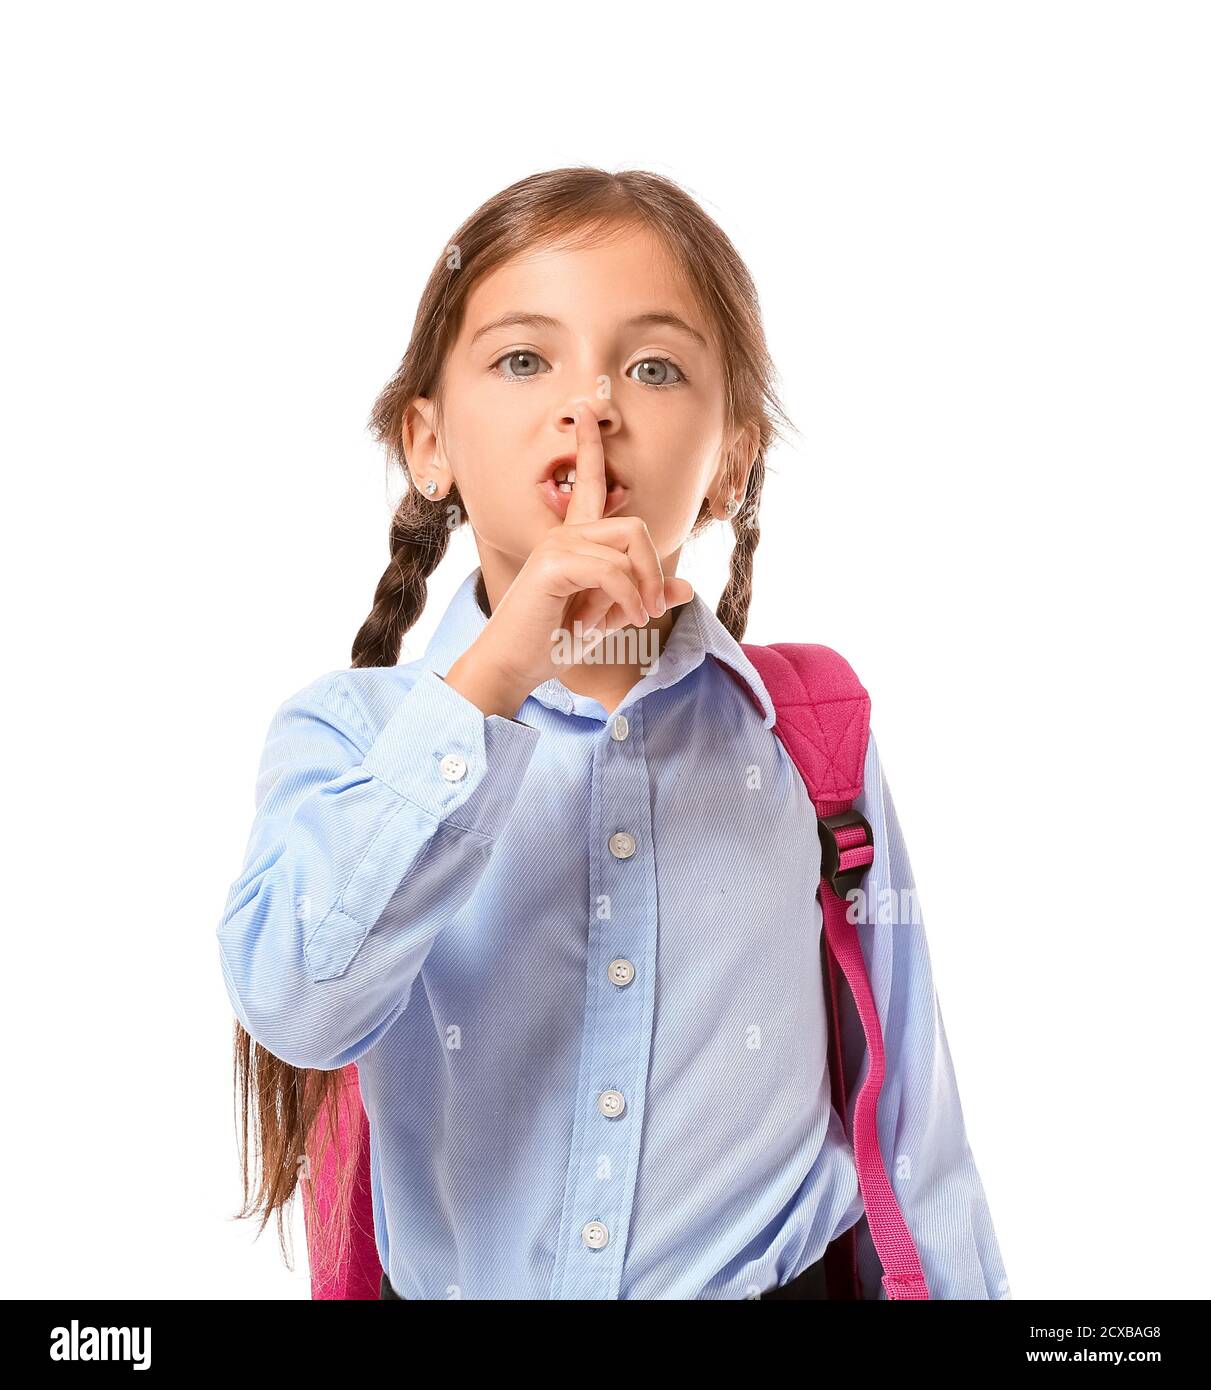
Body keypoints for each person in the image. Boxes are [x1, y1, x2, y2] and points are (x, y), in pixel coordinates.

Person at [215, 166, 1008, 1300]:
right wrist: (498, 670)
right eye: (524, 359)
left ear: (729, 459)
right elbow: (299, 1004)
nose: (590, 404)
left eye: (652, 366)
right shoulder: (345, 739)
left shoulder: (806, 736)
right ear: (427, 445)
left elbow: (916, 1128)